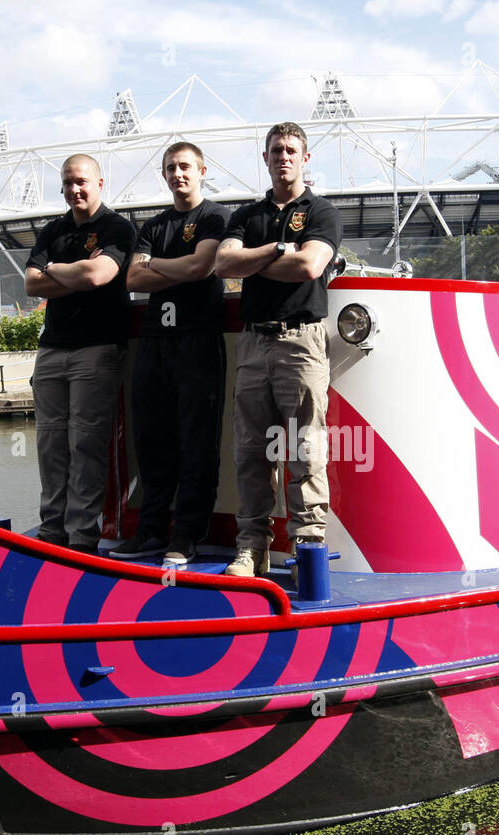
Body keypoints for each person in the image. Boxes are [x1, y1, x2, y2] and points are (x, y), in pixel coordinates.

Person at [213, 122, 342, 577]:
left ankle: (308, 546)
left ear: (306, 158)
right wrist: (279, 248)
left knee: (305, 447)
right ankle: (253, 548)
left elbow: (309, 265)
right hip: (253, 342)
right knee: (251, 450)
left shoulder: (323, 211)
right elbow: (223, 263)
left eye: (291, 150)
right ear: (265, 158)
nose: (282, 156)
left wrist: (257, 259)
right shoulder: (246, 215)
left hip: (301, 340)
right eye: (275, 150)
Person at [112, 142, 230, 565]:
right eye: (170, 168)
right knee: (152, 441)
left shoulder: (217, 217)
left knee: (197, 443)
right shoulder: (153, 224)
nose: (177, 174)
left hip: (197, 341)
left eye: (185, 166)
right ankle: (150, 531)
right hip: (154, 344)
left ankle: (186, 535)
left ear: (201, 169)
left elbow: (202, 268)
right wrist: (173, 267)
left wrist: (158, 266)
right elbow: (132, 279)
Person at [24, 153, 136, 553]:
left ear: (100, 183)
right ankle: (51, 532)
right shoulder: (52, 229)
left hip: (97, 350)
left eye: (82, 182)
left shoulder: (117, 228)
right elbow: (32, 286)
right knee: (50, 445)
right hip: (52, 350)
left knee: (86, 446)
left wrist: (55, 270)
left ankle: (81, 539)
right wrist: (74, 272)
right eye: (68, 183)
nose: (75, 189)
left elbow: (99, 274)